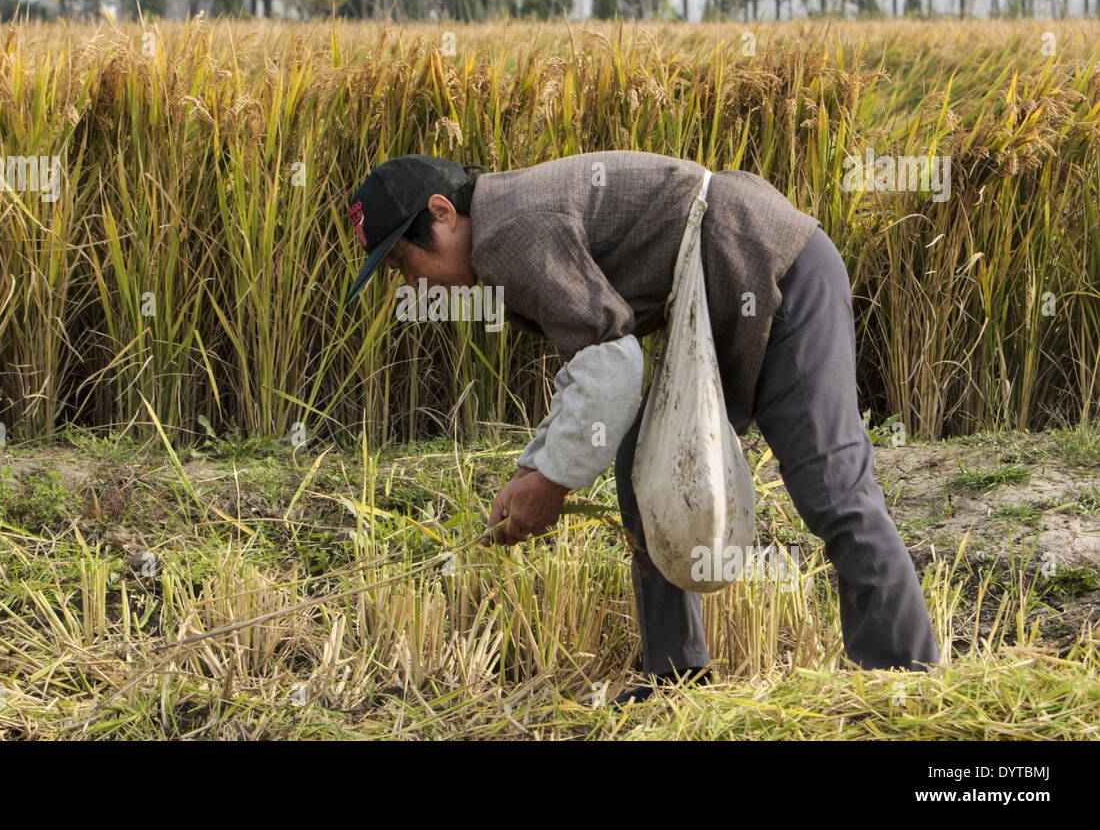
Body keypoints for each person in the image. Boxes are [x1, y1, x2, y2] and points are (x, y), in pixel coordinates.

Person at [343, 151, 942, 706]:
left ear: (443, 214)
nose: (412, 283)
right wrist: (535, 465)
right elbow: (591, 362)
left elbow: (612, 362)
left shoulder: (508, 232)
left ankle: (906, 685)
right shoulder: (505, 226)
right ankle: (676, 674)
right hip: (720, 297)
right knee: (641, 465)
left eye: (403, 261)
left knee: (832, 486)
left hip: (773, 270)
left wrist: (551, 483)